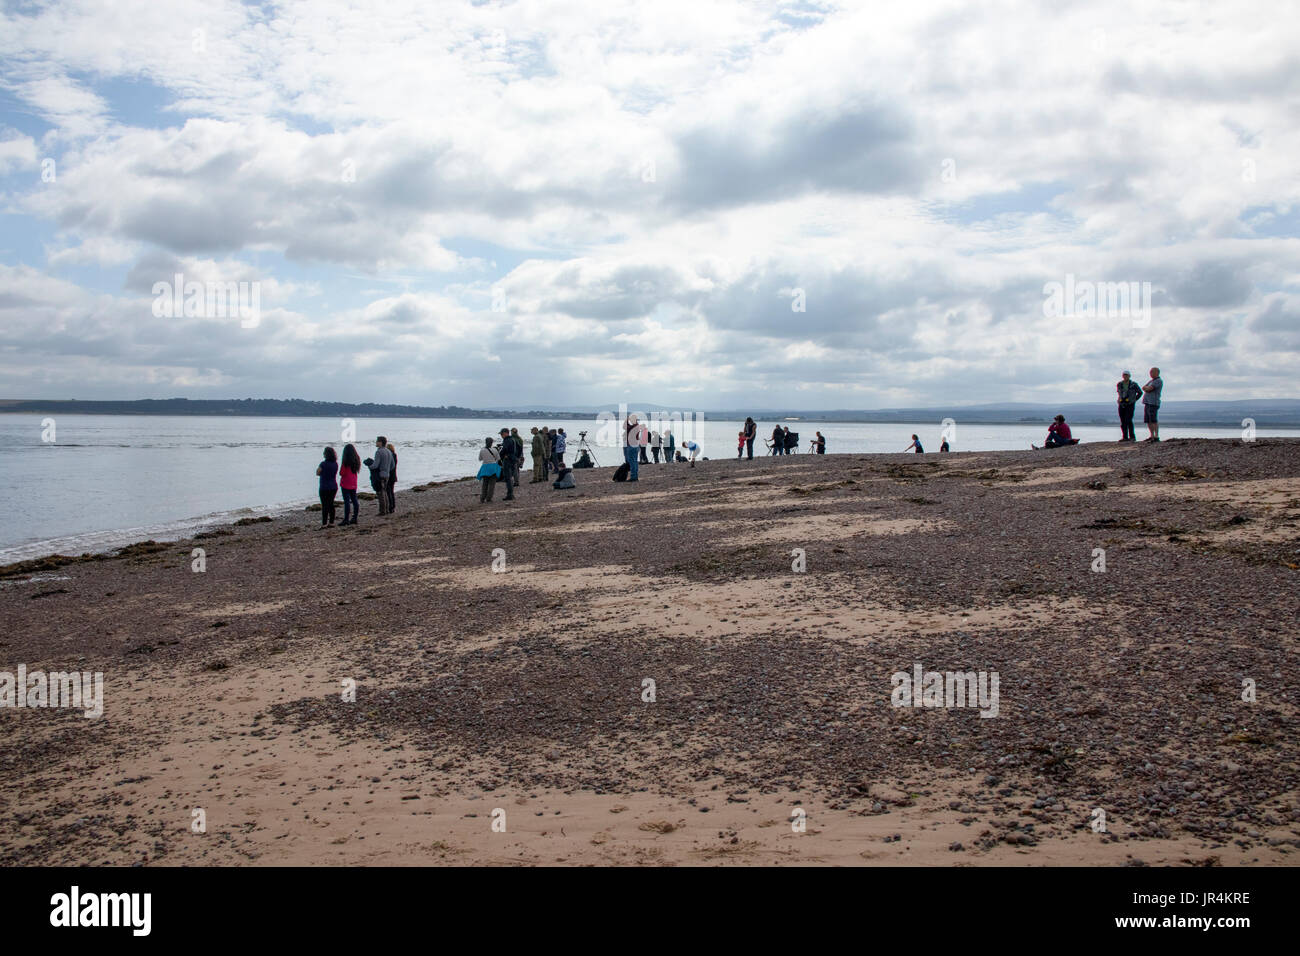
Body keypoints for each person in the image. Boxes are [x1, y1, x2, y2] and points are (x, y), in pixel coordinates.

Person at [365, 436, 393, 515]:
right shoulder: (388, 451)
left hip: (381, 475)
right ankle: (387, 509)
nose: (376, 443)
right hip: (387, 474)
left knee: (380, 493)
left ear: (380, 442)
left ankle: (382, 511)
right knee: (385, 492)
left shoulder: (379, 452)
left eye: (377, 441)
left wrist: (369, 466)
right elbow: (392, 465)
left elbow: (375, 465)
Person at [316, 446, 338, 528]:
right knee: (331, 504)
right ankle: (331, 522)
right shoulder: (335, 464)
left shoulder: (323, 464)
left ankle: (324, 523)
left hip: (324, 487)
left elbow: (318, 472)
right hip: (333, 486)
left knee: (325, 505)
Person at [1116, 370, 1142, 442]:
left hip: (1130, 404)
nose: (1125, 376)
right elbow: (1119, 393)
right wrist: (1119, 399)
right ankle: (1125, 437)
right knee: (1123, 421)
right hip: (1122, 404)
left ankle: (1132, 437)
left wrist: (1134, 399)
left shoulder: (1134, 384)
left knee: (1128, 420)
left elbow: (1140, 392)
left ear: (1129, 376)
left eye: (1126, 375)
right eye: (1124, 375)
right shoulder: (1119, 384)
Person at [339, 443, 361, 525]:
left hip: (345, 483)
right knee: (354, 500)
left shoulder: (345, 461)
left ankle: (346, 519)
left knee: (347, 501)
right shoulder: (356, 459)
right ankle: (355, 517)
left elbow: (342, 473)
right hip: (353, 482)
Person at [496, 428, 518, 501]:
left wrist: (500, 455)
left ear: (505, 433)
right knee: (509, 477)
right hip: (512, 459)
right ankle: (510, 494)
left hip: (508, 460)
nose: (501, 436)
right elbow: (519, 448)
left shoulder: (507, 440)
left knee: (508, 478)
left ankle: (510, 494)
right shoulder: (512, 439)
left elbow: (504, 449)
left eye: (502, 434)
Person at [1142, 366, 1163, 442]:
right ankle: (1152, 435)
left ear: (1157, 372)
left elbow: (1149, 388)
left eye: (1152, 372)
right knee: (1148, 420)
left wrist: (1147, 388)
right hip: (1147, 402)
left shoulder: (1158, 381)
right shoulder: (1151, 381)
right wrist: (1146, 388)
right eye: (1150, 372)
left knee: (1153, 419)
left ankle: (1156, 436)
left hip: (1153, 402)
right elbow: (1143, 387)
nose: (1150, 373)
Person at [477, 437, 501, 502]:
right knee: (492, 484)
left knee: (485, 483)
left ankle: (482, 498)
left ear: (485, 442)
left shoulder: (482, 450)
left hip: (485, 467)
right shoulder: (494, 450)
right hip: (493, 467)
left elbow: (480, 459)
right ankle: (489, 498)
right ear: (492, 443)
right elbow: (498, 459)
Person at [623, 415, 641, 482]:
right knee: (635, 461)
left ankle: (633, 477)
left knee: (632, 462)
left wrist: (626, 420)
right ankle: (635, 476)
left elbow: (624, 427)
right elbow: (627, 427)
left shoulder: (633, 427)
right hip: (636, 445)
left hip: (631, 446)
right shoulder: (636, 426)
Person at [385, 442, 398, 513]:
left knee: (388, 491)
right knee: (391, 491)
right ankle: (392, 506)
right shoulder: (395, 455)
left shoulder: (389, 456)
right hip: (393, 475)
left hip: (389, 475)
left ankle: (390, 506)